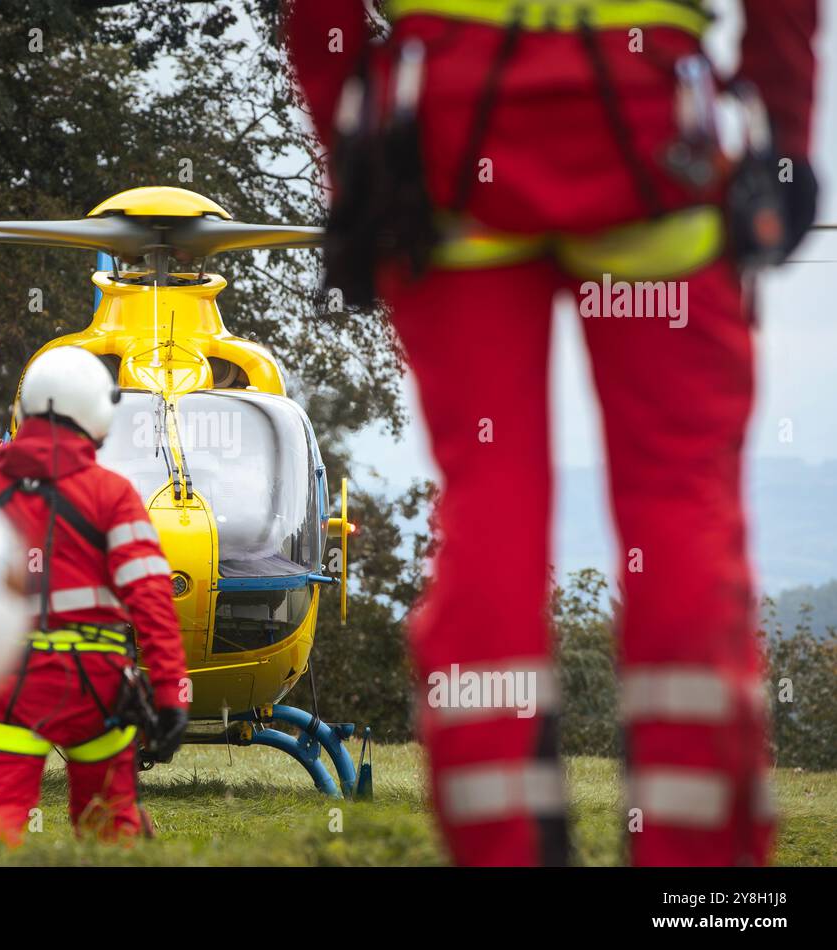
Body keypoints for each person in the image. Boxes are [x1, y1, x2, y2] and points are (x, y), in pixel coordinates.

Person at [287, 0, 818, 865]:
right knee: (680, 503)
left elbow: (322, 15)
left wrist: (352, 143)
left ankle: (504, 840)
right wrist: (784, 136)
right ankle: (697, 866)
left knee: (490, 502)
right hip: (657, 143)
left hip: (449, 150)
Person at [0, 347, 189, 843]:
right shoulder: (113, 494)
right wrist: (172, 693)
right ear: (96, 413)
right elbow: (151, 599)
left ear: (26, 410)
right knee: (112, 824)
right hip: (98, 683)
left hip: (10, 677)